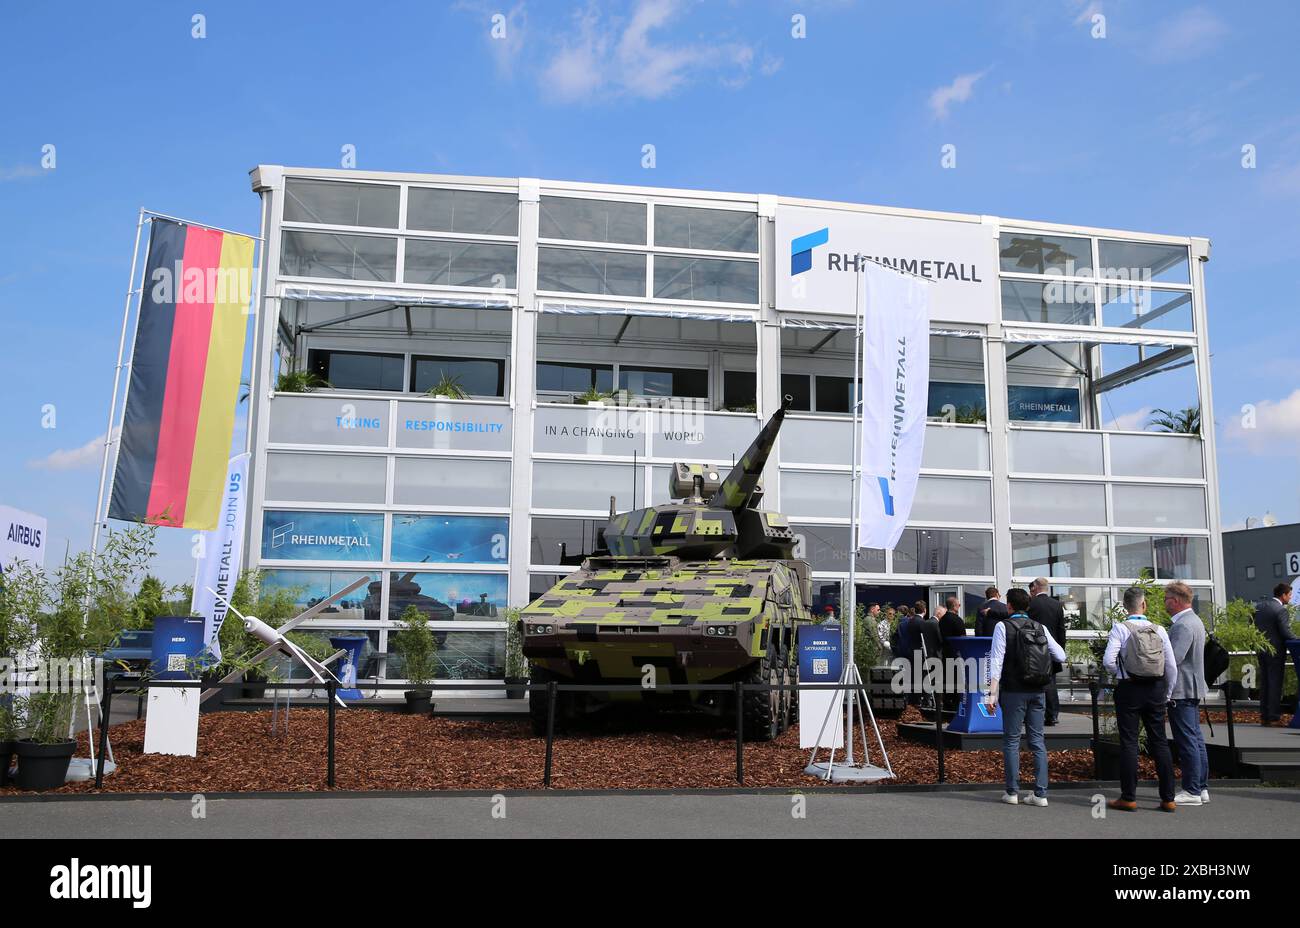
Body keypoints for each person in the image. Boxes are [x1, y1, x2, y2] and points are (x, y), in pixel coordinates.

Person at [987, 587, 1066, 806]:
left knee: (1012, 740)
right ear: (1028, 606)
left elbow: (996, 661)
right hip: (1038, 691)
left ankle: (1012, 792)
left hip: (1013, 691)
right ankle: (1040, 794)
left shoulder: (1003, 626)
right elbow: (1061, 654)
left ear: (1009, 606)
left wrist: (992, 695)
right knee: (1037, 741)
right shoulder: (1040, 627)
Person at [1104, 587, 1179, 812]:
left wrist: (1121, 673)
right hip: (1155, 689)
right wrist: (1167, 693)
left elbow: (1108, 661)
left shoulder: (1120, 628)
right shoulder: (1159, 629)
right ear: (1144, 605)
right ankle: (1168, 798)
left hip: (1130, 689)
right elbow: (1171, 666)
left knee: (1129, 742)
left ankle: (1129, 797)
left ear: (1125, 606)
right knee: (1160, 742)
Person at [1165, 581, 1209, 806]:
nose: (1164, 603)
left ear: (1175, 600)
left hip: (1182, 689)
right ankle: (1200, 787)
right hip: (1193, 686)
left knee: (1187, 740)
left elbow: (1174, 658)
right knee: (1196, 739)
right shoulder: (1196, 621)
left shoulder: (1182, 625)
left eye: (1166, 599)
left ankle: (1191, 790)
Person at [1028, 578, 1067, 726]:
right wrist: (1060, 649)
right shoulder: (1056, 605)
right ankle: (1053, 714)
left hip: (1034, 649)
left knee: (1033, 682)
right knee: (1051, 682)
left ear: (1036, 587)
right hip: (1052, 650)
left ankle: (1033, 714)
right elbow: (1061, 630)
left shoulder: (1031, 604)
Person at [1253, 583, 1294, 726]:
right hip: (1275, 651)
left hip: (1261, 649)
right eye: (1289, 595)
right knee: (1275, 683)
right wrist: (1296, 639)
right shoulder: (1281, 610)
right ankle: (1274, 717)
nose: (1290, 597)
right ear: (1283, 595)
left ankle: (1264, 716)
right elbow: (1285, 632)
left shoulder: (1259, 607)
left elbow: (1251, 626)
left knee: (1265, 683)